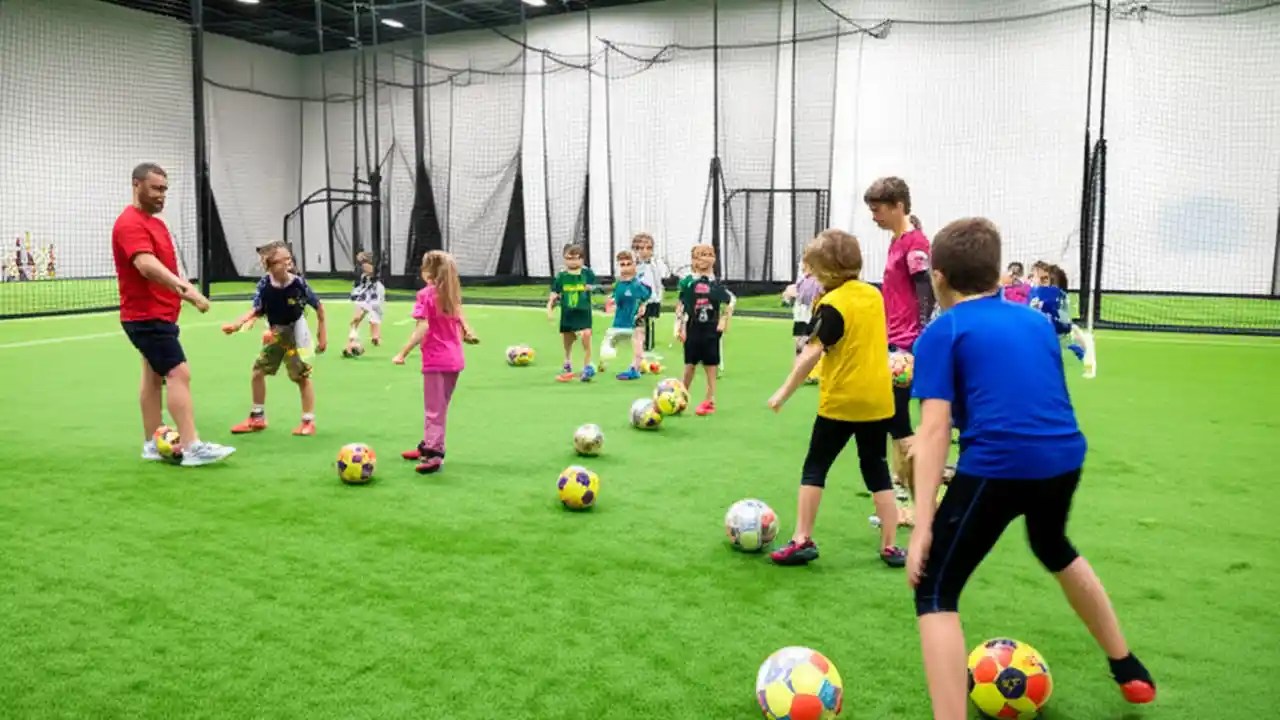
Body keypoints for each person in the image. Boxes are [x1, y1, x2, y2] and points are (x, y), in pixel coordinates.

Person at [906, 217, 1156, 720]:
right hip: (1063, 458)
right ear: (998, 274)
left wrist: (922, 521)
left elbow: (933, 433)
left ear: (938, 277)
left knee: (934, 589)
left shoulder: (943, 331)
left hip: (1000, 463)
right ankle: (1127, 667)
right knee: (1053, 545)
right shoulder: (1036, 322)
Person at [767, 230, 905, 567]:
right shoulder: (873, 294)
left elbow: (811, 354)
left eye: (812, 270)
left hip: (843, 401)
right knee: (877, 469)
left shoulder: (832, 304)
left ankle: (802, 539)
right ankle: (890, 546)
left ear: (825, 271)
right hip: (878, 400)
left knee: (816, 466)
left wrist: (783, 392)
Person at [112, 162, 234, 466]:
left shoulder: (156, 223)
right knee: (179, 373)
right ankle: (192, 446)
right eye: (155, 188)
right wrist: (189, 291)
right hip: (146, 317)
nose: (161, 196)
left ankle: (151, 443)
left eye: (165, 190)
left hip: (159, 316)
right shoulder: (130, 223)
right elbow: (146, 265)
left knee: (152, 377)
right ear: (136, 184)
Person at [864, 177, 935, 495]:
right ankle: (903, 490)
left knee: (899, 418)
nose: (874, 216)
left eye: (877, 209)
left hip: (906, 344)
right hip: (894, 338)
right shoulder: (897, 241)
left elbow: (925, 288)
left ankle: (918, 496)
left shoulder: (914, 242)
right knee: (893, 417)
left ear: (898, 206)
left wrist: (918, 334)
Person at [224, 242, 328, 436]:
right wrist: (238, 324)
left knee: (301, 376)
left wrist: (322, 335)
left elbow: (319, 307)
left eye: (290, 258)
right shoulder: (265, 284)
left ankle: (308, 421)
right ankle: (257, 417)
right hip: (276, 333)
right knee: (258, 371)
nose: (289, 263)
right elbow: (257, 309)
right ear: (270, 264)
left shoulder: (298, 283)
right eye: (283, 260)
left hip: (296, 333)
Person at [393, 251, 479, 473]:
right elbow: (460, 315)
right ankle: (428, 444)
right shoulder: (451, 293)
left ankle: (434, 453)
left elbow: (423, 327)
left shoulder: (426, 295)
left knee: (434, 409)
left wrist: (402, 352)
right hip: (454, 359)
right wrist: (468, 332)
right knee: (440, 407)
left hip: (435, 359)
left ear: (427, 272)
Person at [678, 244, 733, 416]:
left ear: (714, 259)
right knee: (689, 364)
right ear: (693, 260)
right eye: (701, 255)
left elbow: (730, 301)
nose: (705, 258)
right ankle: (681, 396)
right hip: (693, 326)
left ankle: (710, 399)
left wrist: (724, 320)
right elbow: (681, 306)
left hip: (711, 326)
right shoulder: (688, 282)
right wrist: (680, 326)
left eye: (709, 255)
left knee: (711, 364)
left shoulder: (715, 283)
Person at [546, 244, 599, 382]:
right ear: (564, 259)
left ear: (582, 259)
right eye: (569, 258)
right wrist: (549, 308)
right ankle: (567, 361)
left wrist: (591, 288)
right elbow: (554, 293)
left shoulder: (587, 273)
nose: (573, 262)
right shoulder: (561, 276)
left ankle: (587, 366)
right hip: (568, 313)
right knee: (567, 338)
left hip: (583, 312)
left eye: (576, 258)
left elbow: (596, 286)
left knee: (586, 336)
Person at [600, 250, 652, 380]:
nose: (625, 267)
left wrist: (642, 305)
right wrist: (611, 302)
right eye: (622, 264)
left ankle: (635, 369)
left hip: (635, 320)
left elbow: (647, 296)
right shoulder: (619, 284)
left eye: (629, 264)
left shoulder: (637, 284)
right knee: (610, 340)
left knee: (637, 343)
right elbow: (617, 299)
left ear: (635, 266)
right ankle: (604, 362)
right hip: (620, 320)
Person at [781, 262, 824, 384]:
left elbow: (818, 294)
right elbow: (792, 292)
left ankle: (811, 373)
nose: (804, 268)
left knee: (808, 344)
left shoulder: (818, 281)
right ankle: (798, 372)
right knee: (799, 344)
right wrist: (788, 294)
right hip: (800, 316)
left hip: (810, 316)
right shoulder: (802, 280)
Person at [631, 233, 668, 361]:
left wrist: (658, 297)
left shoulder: (655, 265)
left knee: (649, 322)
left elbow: (658, 282)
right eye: (640, 248)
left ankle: (648, 348)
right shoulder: (633, 266)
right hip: (638, 299)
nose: (644, 251)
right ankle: (639, 347)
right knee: (638, 322)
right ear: (635, 250)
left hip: (651, 299)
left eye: (648, 248)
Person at [348, 253, 385, 351]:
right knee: (357, 317)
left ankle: (375, 336)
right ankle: (352, 340)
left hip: (375, 293)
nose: (363, 266)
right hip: (364, 292)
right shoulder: (361, 277)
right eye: (362, 264)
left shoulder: (376, 277)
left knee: (374, 316)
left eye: (365, 263)